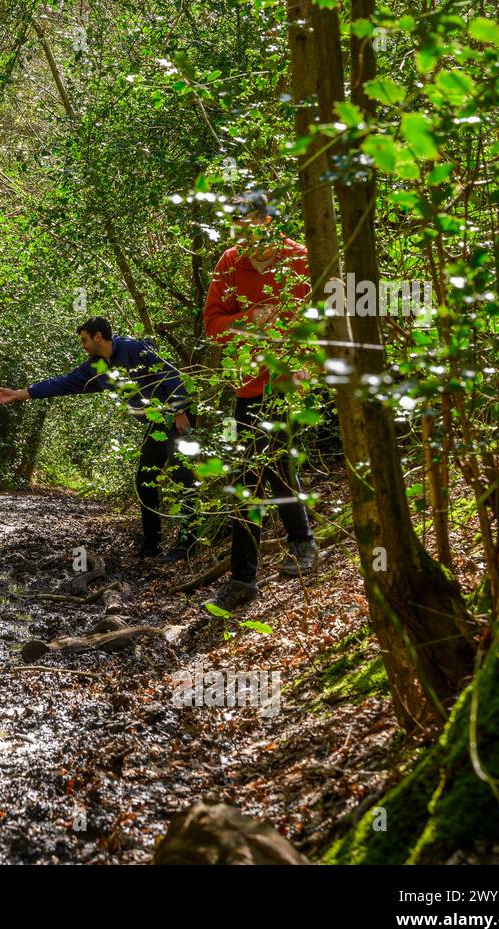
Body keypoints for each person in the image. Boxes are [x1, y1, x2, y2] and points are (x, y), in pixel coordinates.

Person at [0, 316, 199, 562]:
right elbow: (63, 383)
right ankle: (152, 544)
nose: (83, 344)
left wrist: (181, 410)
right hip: (156, 424)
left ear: (98, 336)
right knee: (145, 480)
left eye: (84, 339)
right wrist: (20, 394)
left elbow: (170, 373)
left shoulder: (134, 348)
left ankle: (188, 543)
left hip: (177, 416)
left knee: (183, 475)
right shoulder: (96, 368)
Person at [203, 190, 320, 612]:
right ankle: (263, 567)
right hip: (248, 384)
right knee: (250, 473)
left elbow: (323, 314)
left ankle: (276, 559)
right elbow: (213, 326)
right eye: (236, 227)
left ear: (267, 221)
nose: (243, 234)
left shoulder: (301, 258)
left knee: (271, 460)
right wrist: (246, 319)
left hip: (289, 378)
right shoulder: (229, 264)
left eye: (249, 224)